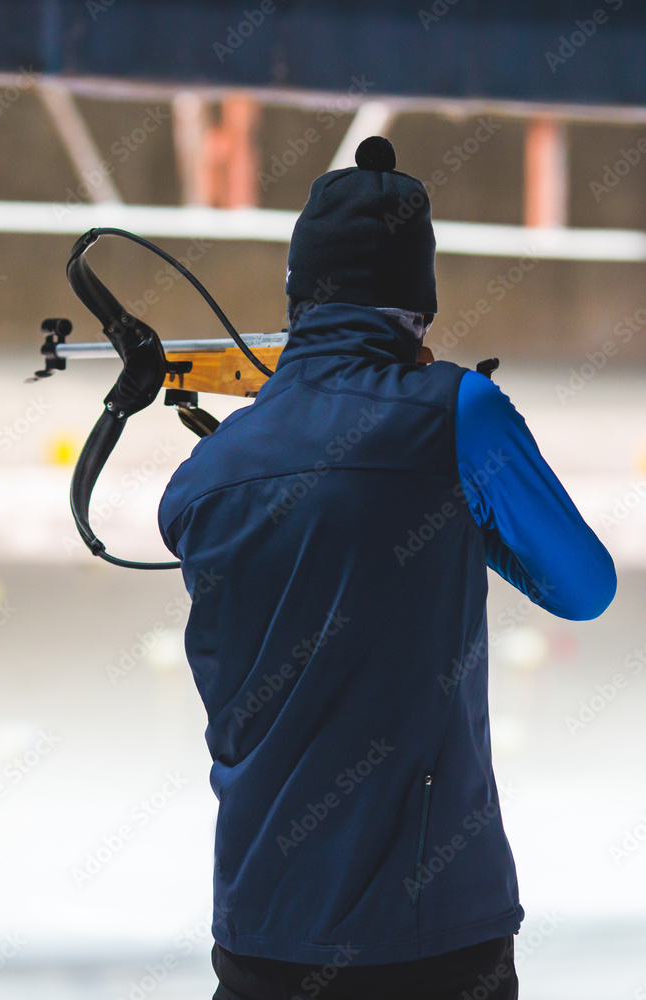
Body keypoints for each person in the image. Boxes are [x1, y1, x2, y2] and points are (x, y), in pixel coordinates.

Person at [157, 135, 616, 1000]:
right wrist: (461, 504)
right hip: (432, 933)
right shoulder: (457, 414)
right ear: (417, 305)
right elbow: (583, 588)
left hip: (261, 934)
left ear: (298, 295)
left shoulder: (205, 475)